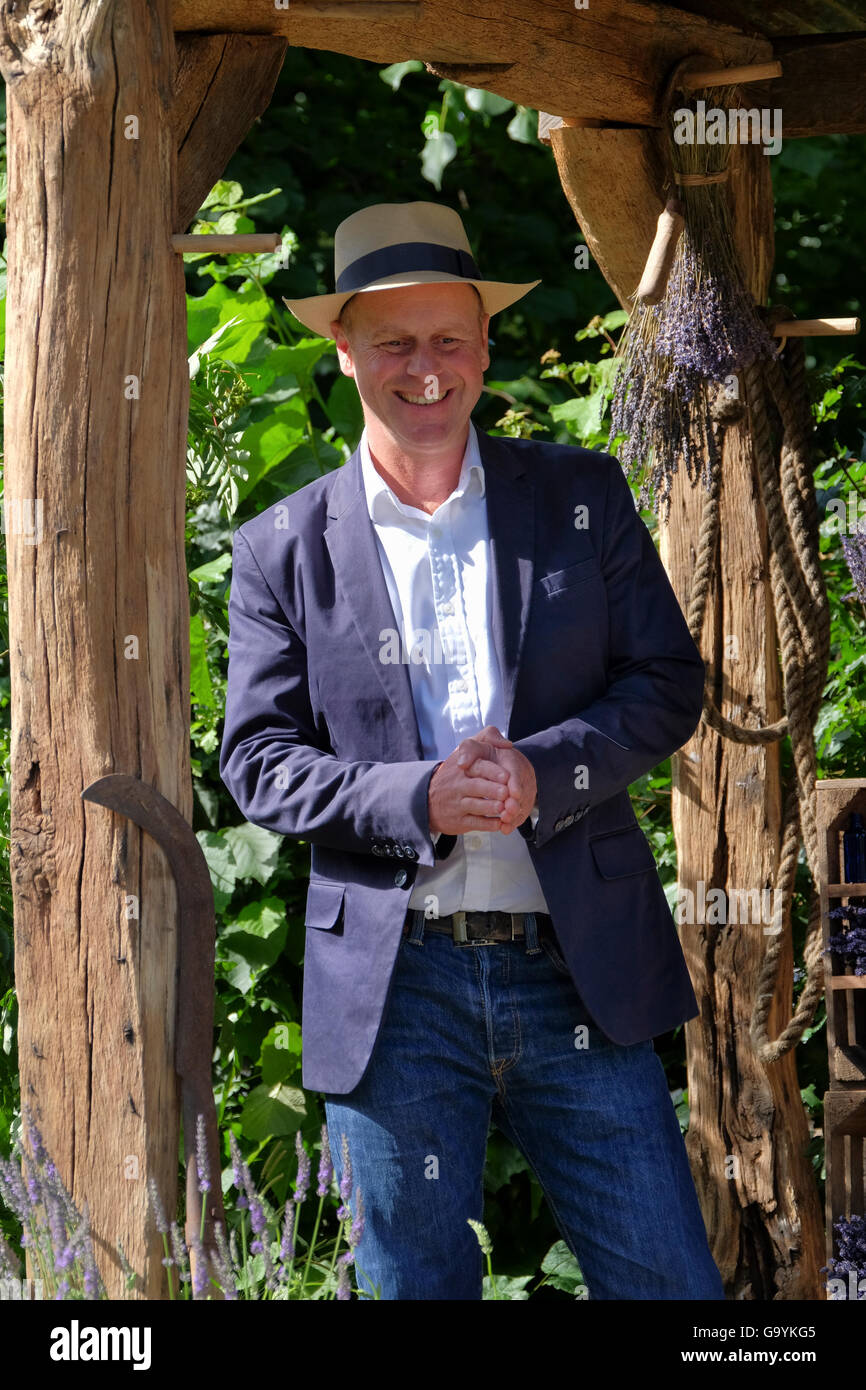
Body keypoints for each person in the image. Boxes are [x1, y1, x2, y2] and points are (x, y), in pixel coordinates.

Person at [219, 200, 725, 1301]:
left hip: (572, 969)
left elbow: (666, 684)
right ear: (341, 346)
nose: (426, 369)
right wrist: (418, 796)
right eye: (394, 342)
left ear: (484, 346)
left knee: (672, 1289)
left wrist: (546, 769)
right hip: (395, 987)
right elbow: (256, 758)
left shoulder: (579, 497)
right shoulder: (278, 549)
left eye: (448, 338)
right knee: (412, 1291)